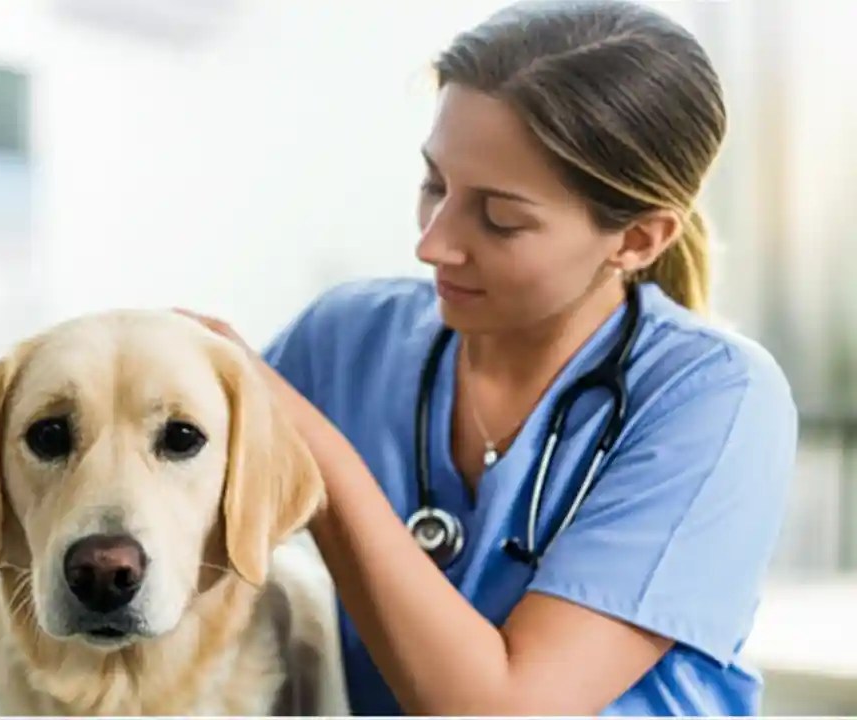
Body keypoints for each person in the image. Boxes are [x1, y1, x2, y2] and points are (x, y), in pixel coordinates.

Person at [178, 0, 799, 715]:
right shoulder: (346, 340)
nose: (433, 244)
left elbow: (504, 708)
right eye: (434, 186)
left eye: (500, 218)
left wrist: (315, 451)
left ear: (636, 241)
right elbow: (168, 543)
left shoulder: (714, 400)